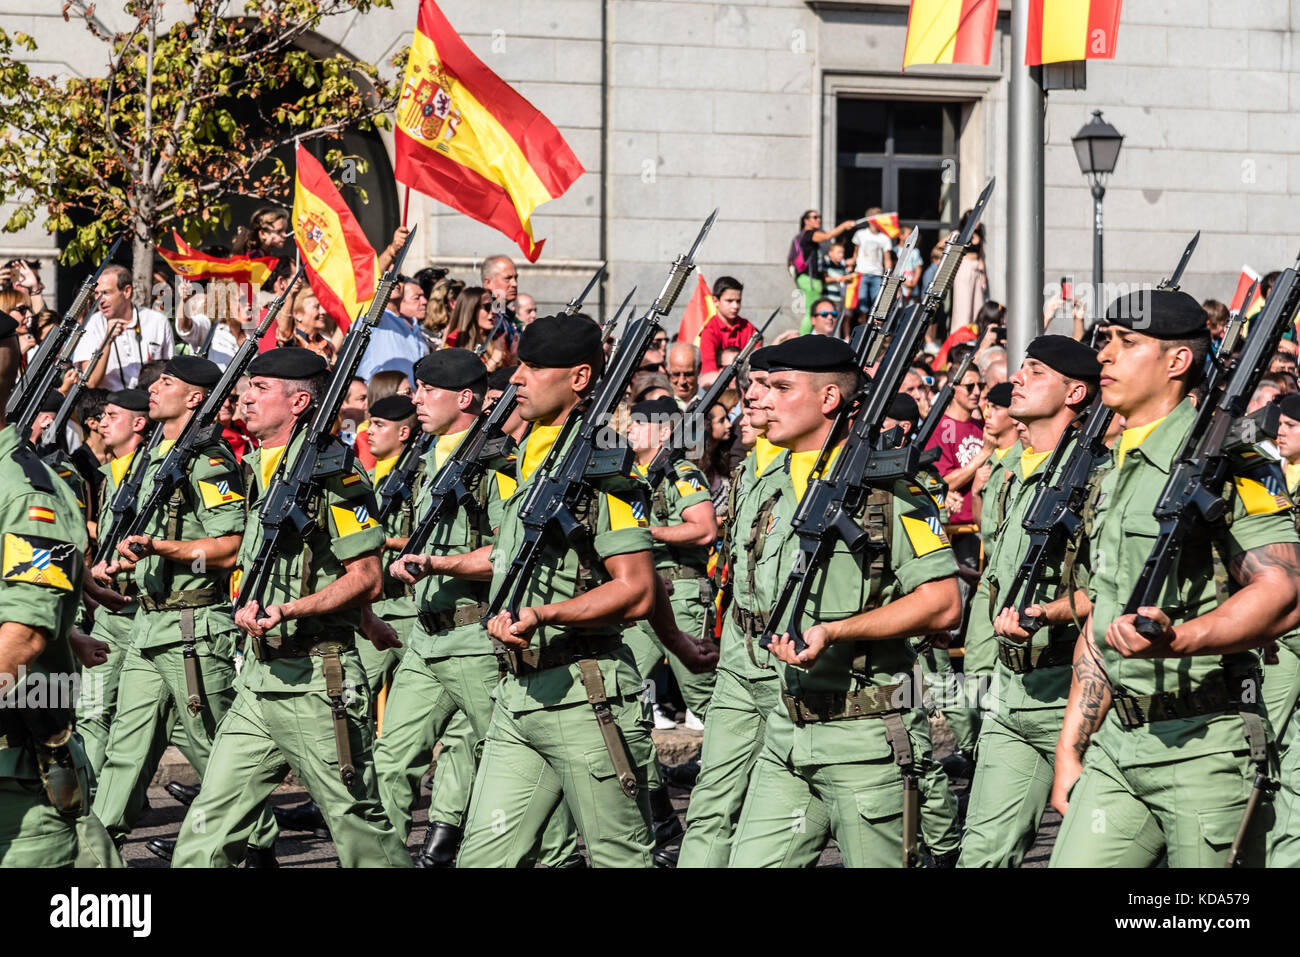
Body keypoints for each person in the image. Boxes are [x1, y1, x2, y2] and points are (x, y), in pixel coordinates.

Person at [1045, 290, 1300, 868]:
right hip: (1117, 745)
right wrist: (1070, 748)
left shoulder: (1234, 460)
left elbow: (1283, 590)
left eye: (1126, 342)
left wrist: (1180, 640)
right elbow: (1103, 615)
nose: (1104, 356)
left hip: (1206, 747)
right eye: (1104, 339)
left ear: (1177, 362)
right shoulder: (1113, 468)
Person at [455, 315, 683, 867]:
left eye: (533, 368)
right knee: (482, 858)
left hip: (588, 694)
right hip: (518, 693)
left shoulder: (604, 468)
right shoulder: (529, 454)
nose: (516, 379)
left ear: (579, 378)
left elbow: (635, 589)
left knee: (618, 858)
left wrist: (543, 613)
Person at [725, 335, 961, 867]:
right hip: (788, 735)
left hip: (865, 739)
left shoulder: (889, 489)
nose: (760, 397)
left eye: (782, 387)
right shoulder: (770, 484)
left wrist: (836, 631)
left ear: (829, 399)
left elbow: (944, 603)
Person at [171, 348, 411, 868]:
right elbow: (319, 562)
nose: (244, 395)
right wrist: (365, 623)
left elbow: (366, 575)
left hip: (316, 681)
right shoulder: (262, 467)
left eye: (260, 387)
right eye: (246, 386)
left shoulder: (335, 476)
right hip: (259, 680)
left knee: (356, 826)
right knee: (208, 824)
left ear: (299, 401)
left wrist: (294, 610)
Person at [89, 356, 278, 863]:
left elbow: (233, 545)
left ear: (195, 398)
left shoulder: (208, 459)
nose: (154, 387)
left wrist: (160, 550)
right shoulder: (156, 453)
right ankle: (95, 852)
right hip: (148, 624)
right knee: (124, 750)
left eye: (167, 382)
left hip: (192, 625)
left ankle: (256, 845)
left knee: (216, 748)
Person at [958, 337, 1100, 867]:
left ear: (1075, 391)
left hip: (1077, 693)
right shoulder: (1007, 473)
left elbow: (1114, 589)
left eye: (1035, 371)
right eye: (1021, 368)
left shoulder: (1098, 477)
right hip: (1013, 694)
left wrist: (1048, 613)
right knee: (983, 857)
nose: (1017, 378)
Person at [0, 390, 122, 866]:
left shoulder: (30, 492)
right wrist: (67, 631)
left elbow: (22, 636)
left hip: (15, 768)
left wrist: (53, 628)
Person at [678, 350, 788, 867]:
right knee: (711, 803)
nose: (750, 395)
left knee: (801, 799)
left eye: (768, 384)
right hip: (739, 658)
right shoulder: (748, 468)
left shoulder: (817, 471)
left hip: (793, 659)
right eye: (750, 384)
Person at [622, 396, 720, 844]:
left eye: (640, 425)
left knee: (709, 699)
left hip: (679, 592)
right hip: (641, 597)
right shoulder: (630, 478)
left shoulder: (681, 473)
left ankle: (743, 778)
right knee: (625, 694)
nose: (629, 431)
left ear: (663, 433)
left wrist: (643, 534)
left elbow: (703, 528)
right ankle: (659, 817)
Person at [76, 389, 150, 778]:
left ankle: (251, 824)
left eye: (112, 415)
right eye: (101, 416)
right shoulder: (111, 474)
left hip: (144, 611)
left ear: (139, 423)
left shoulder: (153, 474)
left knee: (180, 723)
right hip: (112, 613)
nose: (101, 422)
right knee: (90, 708)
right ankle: (89, 805)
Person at [355, 394, 420, 711]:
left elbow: (434, 537)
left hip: (412, 608)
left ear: (404, 433)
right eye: (369, 423)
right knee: (352, 696)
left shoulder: (420, 474)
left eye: (379, 425)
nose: (369, 431)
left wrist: (387, 542)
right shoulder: (369, 476)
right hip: (376, 608)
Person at [1268, 392, 1300, 866]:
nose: (1280, 431)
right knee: (1268, 735)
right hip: (1283, 629)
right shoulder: (1270, 475)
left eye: (1291, 426)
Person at [74, 264, 175, 391]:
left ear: (127, 291)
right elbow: (91, 381)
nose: (100, 300)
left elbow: (170, 373)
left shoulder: (157, 321)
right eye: (97, 294)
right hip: (109, 404)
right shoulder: (91, 325)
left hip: (148, 402)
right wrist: (107, 341)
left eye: (106, 293)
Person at [790, 209, 857, 330]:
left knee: (813, 311)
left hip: (810, 279)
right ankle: (804, 339)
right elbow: (828, 236)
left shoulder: (806, 237)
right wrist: (844, 225)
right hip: (809, 279)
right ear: (806, 220)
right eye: (815, 217)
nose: (818, 219)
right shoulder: (808, 234)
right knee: (812, 312)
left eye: (819, 217)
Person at [357, 277, 428, 383]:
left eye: (399, 278)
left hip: (412, 396)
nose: (424, 301)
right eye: (416, 298)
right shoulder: (376, 319)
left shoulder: (415, 326)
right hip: (381, 394)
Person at [697, 277, 758, 385]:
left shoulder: (747, 327)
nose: (735, 306)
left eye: (738, 301)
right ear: (715, 301)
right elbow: (709, 373)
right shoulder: (710, 331)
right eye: (729, 301)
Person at [850, 207, 894, 308]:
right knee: (861, 303)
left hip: (877, 274)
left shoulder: (884, 238)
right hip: (861, 273)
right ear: (870, 220)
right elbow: (855, 253)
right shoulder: (860, 234)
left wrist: (888, 274)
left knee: (877, 303)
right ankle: (863, 322)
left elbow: (887, 258)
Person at [481, 255, 519, 320]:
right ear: (488, 283)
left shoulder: (510, 317)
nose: (515, 284)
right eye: (507, 278)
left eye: (515, 278)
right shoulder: (484, 319)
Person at [667, 342, 701, 408]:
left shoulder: (712, 402)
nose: (682, 381)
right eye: (676, 374)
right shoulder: (659, 404)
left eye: (688, 374)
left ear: (699, 368)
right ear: (667, 368)